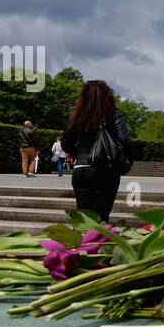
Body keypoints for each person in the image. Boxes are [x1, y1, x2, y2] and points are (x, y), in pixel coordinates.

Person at [62, 79, 131, 222]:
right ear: (107, 95)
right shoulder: (113, 114)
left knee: (84, 220)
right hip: (105, 170)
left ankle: (84, 244)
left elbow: (66, 143)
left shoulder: (76, 115)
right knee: (101, 218)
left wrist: (81, 156)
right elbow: (124, 140)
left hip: (81, 169)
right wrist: (125, 162)